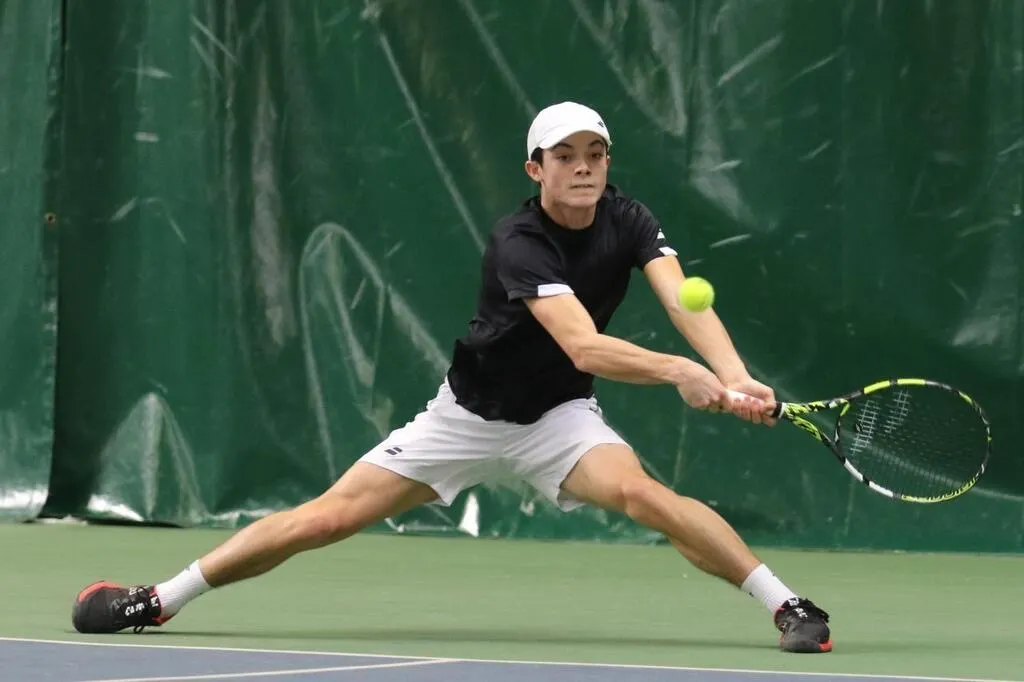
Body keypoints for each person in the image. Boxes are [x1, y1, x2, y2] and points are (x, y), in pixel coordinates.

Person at [71, 101, 832, 654]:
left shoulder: (629, 219)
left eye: (595, 154)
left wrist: (735, 377)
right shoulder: (519, 242)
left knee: (646, 497)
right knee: (326, 519)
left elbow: (680, 297)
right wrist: (680, 373)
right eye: (565, 156)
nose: (583, 168)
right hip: (466, 417)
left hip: (558, 420)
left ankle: (788, 606)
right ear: (536, 169)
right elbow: (584, 346)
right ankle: (158, 599)